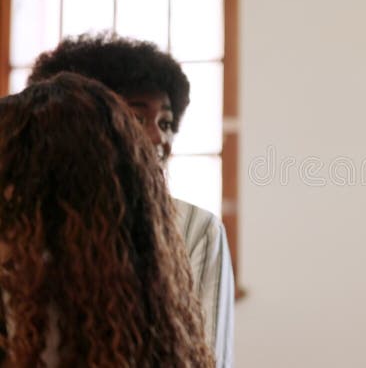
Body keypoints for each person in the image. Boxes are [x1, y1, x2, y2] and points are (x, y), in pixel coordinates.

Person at [28, 33, 234, 367]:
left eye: (166, 123)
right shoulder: (32, 222)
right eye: (136, 117)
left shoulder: (195, 228)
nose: (159, 137)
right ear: (82, 124)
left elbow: (208, 357)